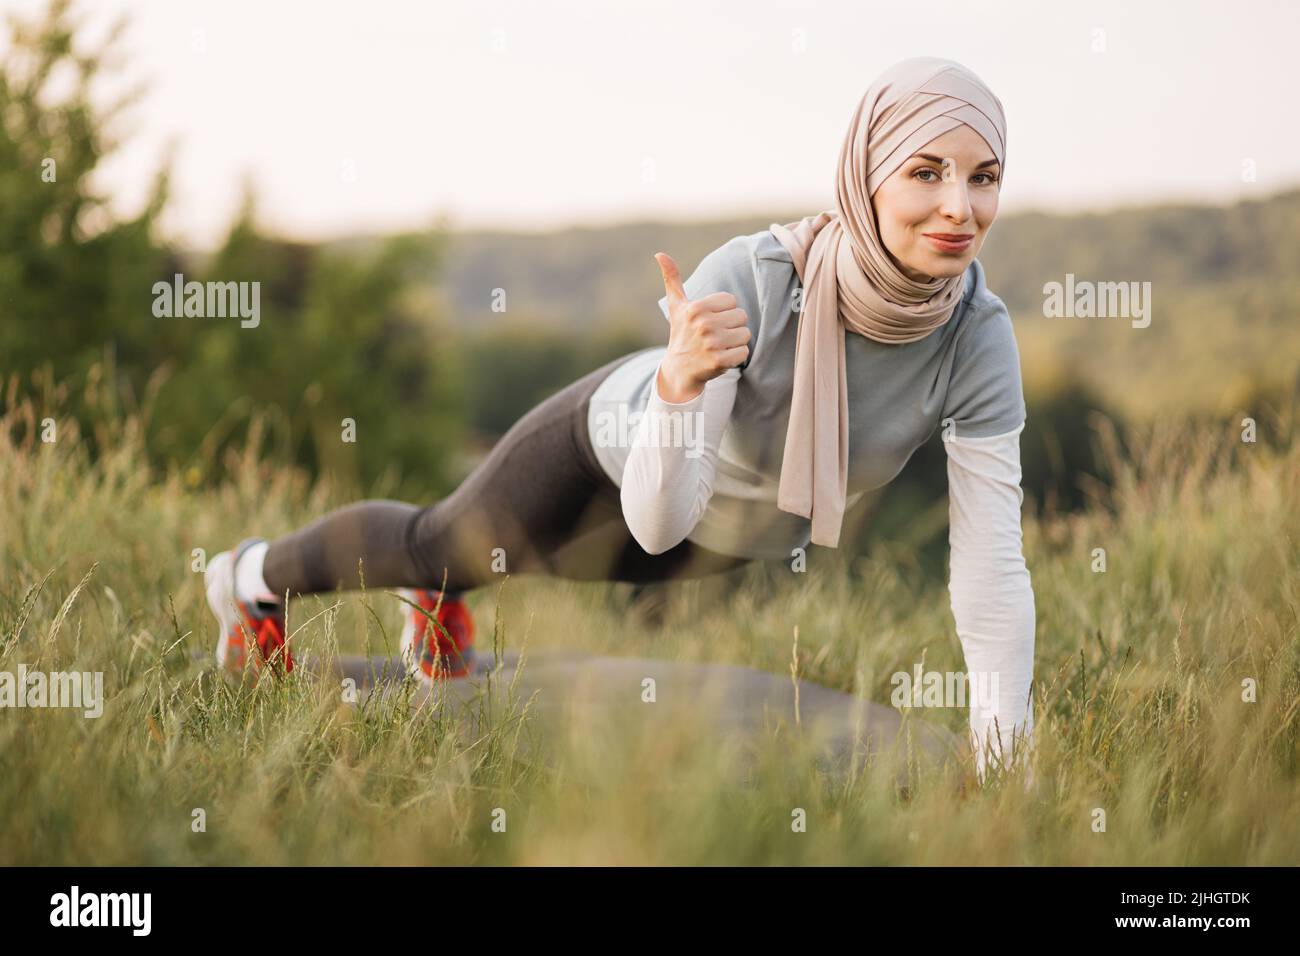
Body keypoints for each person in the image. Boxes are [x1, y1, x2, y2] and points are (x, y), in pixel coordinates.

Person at [205, 56, 1034, 779]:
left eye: (983, 177)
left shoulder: (978, 339)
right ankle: (246, 581)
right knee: (446, 542)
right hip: (613, 455)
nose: (960, 207)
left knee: (514, 566)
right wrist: (680, 382)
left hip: (726, 538)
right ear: (866, 174)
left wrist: (1007, 767)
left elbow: (990, 570)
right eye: (926, 172)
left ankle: (439, 594)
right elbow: (655, 517)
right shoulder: (753, 279)